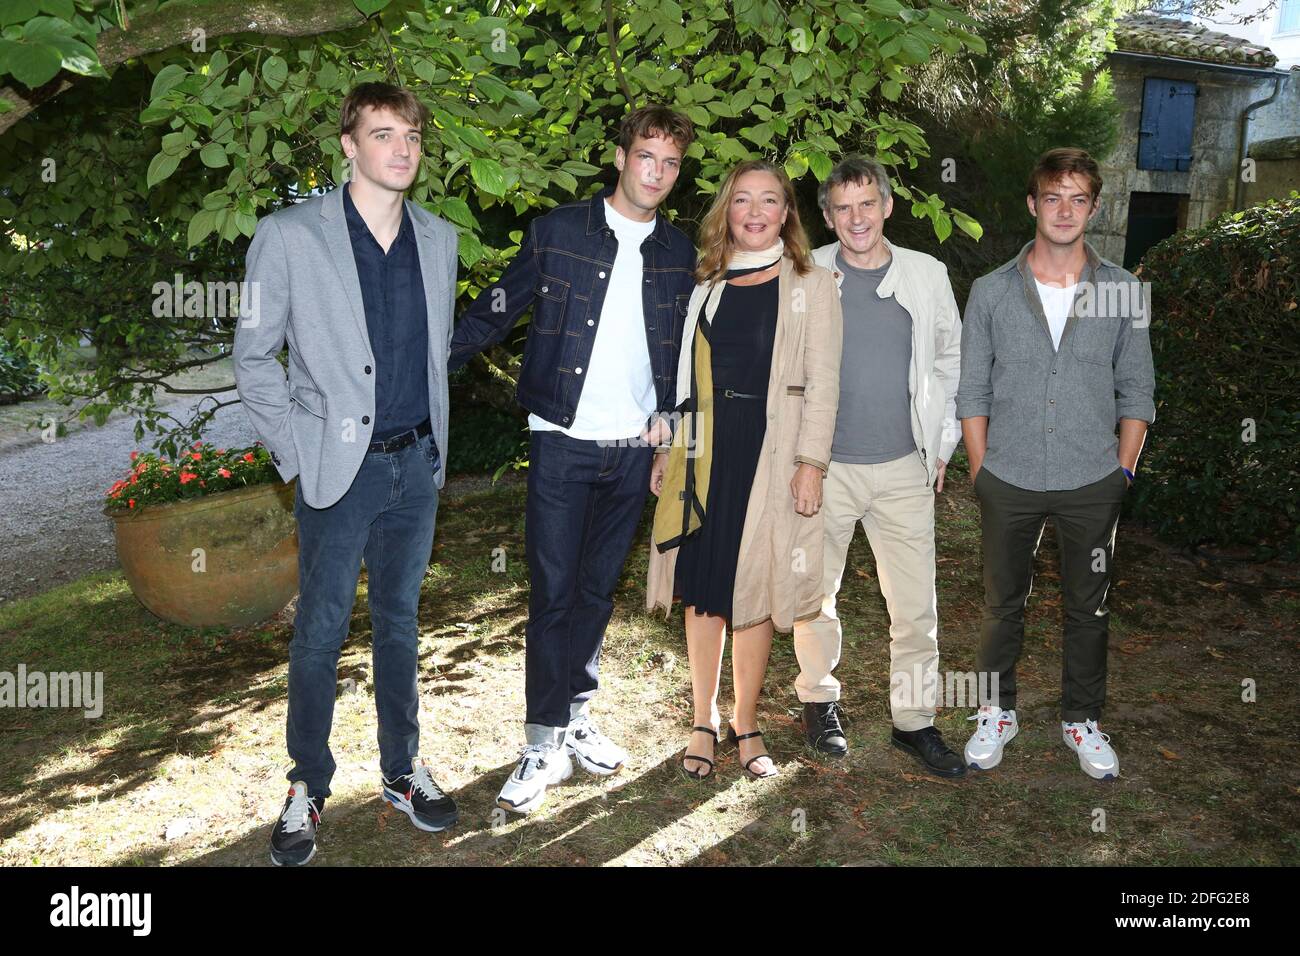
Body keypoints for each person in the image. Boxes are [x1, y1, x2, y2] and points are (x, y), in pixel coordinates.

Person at [233, 82, 460, 867]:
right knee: (321, 633)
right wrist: (297, 457)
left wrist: (435, 447)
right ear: (349, 145)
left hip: (416, 467)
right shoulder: (290, 235)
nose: (403, 148)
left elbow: (431, 354)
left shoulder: (439, 237)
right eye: (384, 133)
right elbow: (253, 358)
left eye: (414, 135)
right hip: (338, 471)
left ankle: (402, 772)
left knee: (399, 624)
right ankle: (308, 786)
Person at [448, 105, 697, 814]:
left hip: (630, 450)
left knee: (595, 591)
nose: (656, 172)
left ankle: (577, 716)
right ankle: (540, 740)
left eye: (671, 163)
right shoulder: (557, 234)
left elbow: (685, 354)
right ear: (621, 157)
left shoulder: (679, 253)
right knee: (554, 594)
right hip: (561, 439)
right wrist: (428, 359)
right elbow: (497, 308)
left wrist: (673, 427)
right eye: (646, 156)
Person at [957, 147, 1155, 780]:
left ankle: (1082, 718)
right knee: (998, 604)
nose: (1064, 210)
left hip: (1092, 480)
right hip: (1007, 477)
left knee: (1088, 607)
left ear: (1094, 208)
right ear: (1032, 205)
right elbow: (972, 390)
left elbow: (1139, 388)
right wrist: (980, 467)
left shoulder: (1124, 292)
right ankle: (995, 710)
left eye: (1077, 198)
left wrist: (1122, 470)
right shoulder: (990, 292)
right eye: (1052, 197)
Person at [648, 160, 842, 781]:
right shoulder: (705, 283)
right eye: (741, 201)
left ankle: (746, 721)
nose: (755, 212)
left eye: (769, 201)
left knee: (755, 590)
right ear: (725, 212)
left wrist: (811, 464)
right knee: (705, 590)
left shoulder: (813, 285)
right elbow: (684, 378)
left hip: (773, 454)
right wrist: (667, 448)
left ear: (787, 213)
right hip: (706, 451)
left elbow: (825, 386)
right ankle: (702, 721)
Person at [791, 155, 965, 776]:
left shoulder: (926, 273)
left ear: (888, 206)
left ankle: (914, 722)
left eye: (867, 204)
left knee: (916, 605)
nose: (856, 218)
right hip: (826, 468)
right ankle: (817, 701)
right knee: (814, 595)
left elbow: (951, 360)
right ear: (829, 216)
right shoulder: (805, 272)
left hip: (903, 469)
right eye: (842, 208)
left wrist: (941, 448)